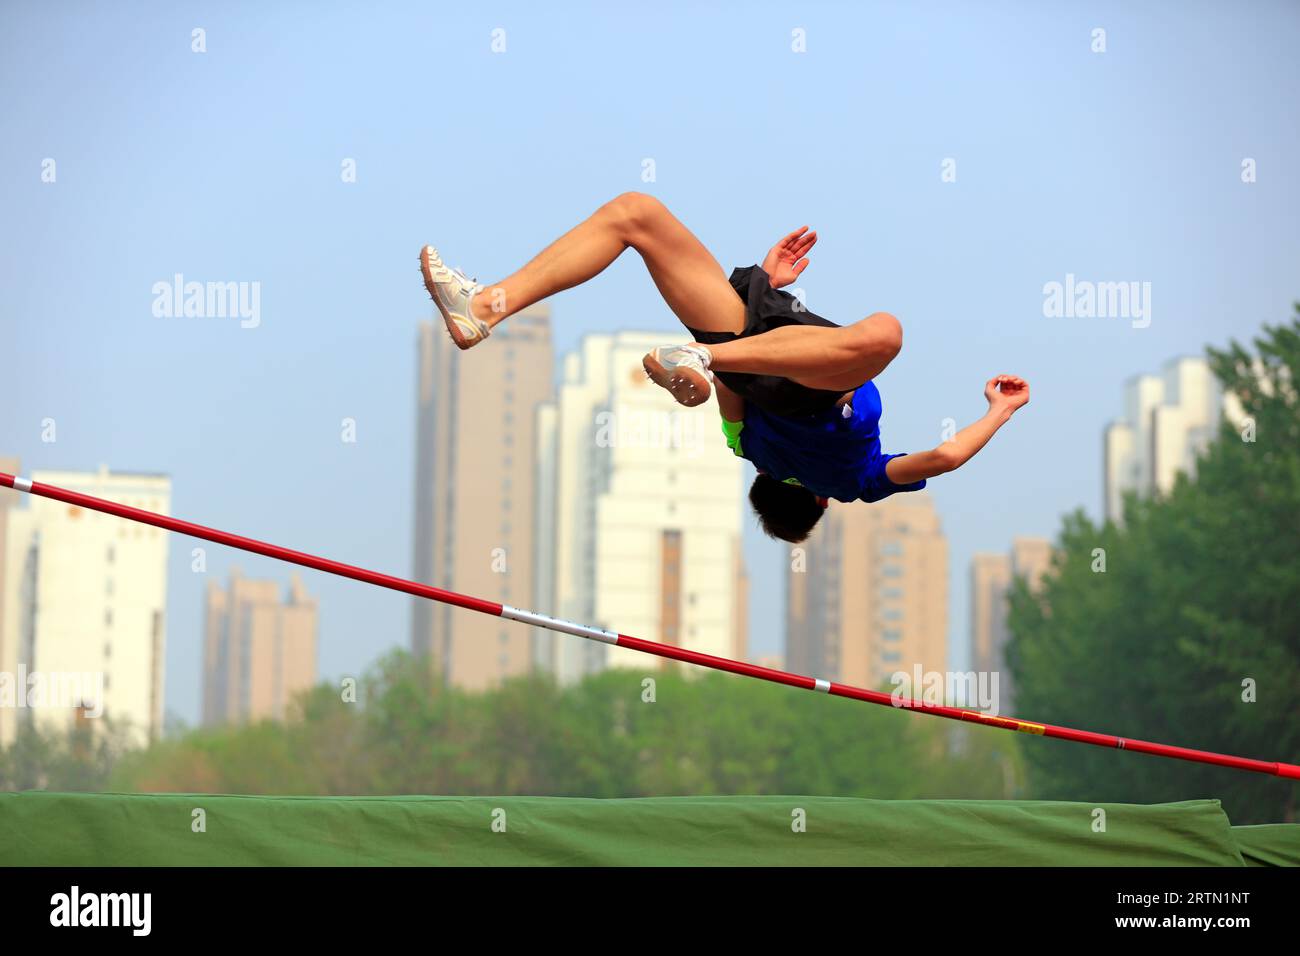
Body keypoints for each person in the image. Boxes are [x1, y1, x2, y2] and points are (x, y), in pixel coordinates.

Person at [420, 192, 1029, 543]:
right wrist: (765, 293)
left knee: (885, 335)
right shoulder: (748, 450)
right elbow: (733, 399)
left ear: (820, 504)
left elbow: (946, 458)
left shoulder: (858, 481)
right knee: (638, 216)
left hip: (787, 376)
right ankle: (479, 309)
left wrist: (999, 410)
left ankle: (495, 303)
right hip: (753, 347)